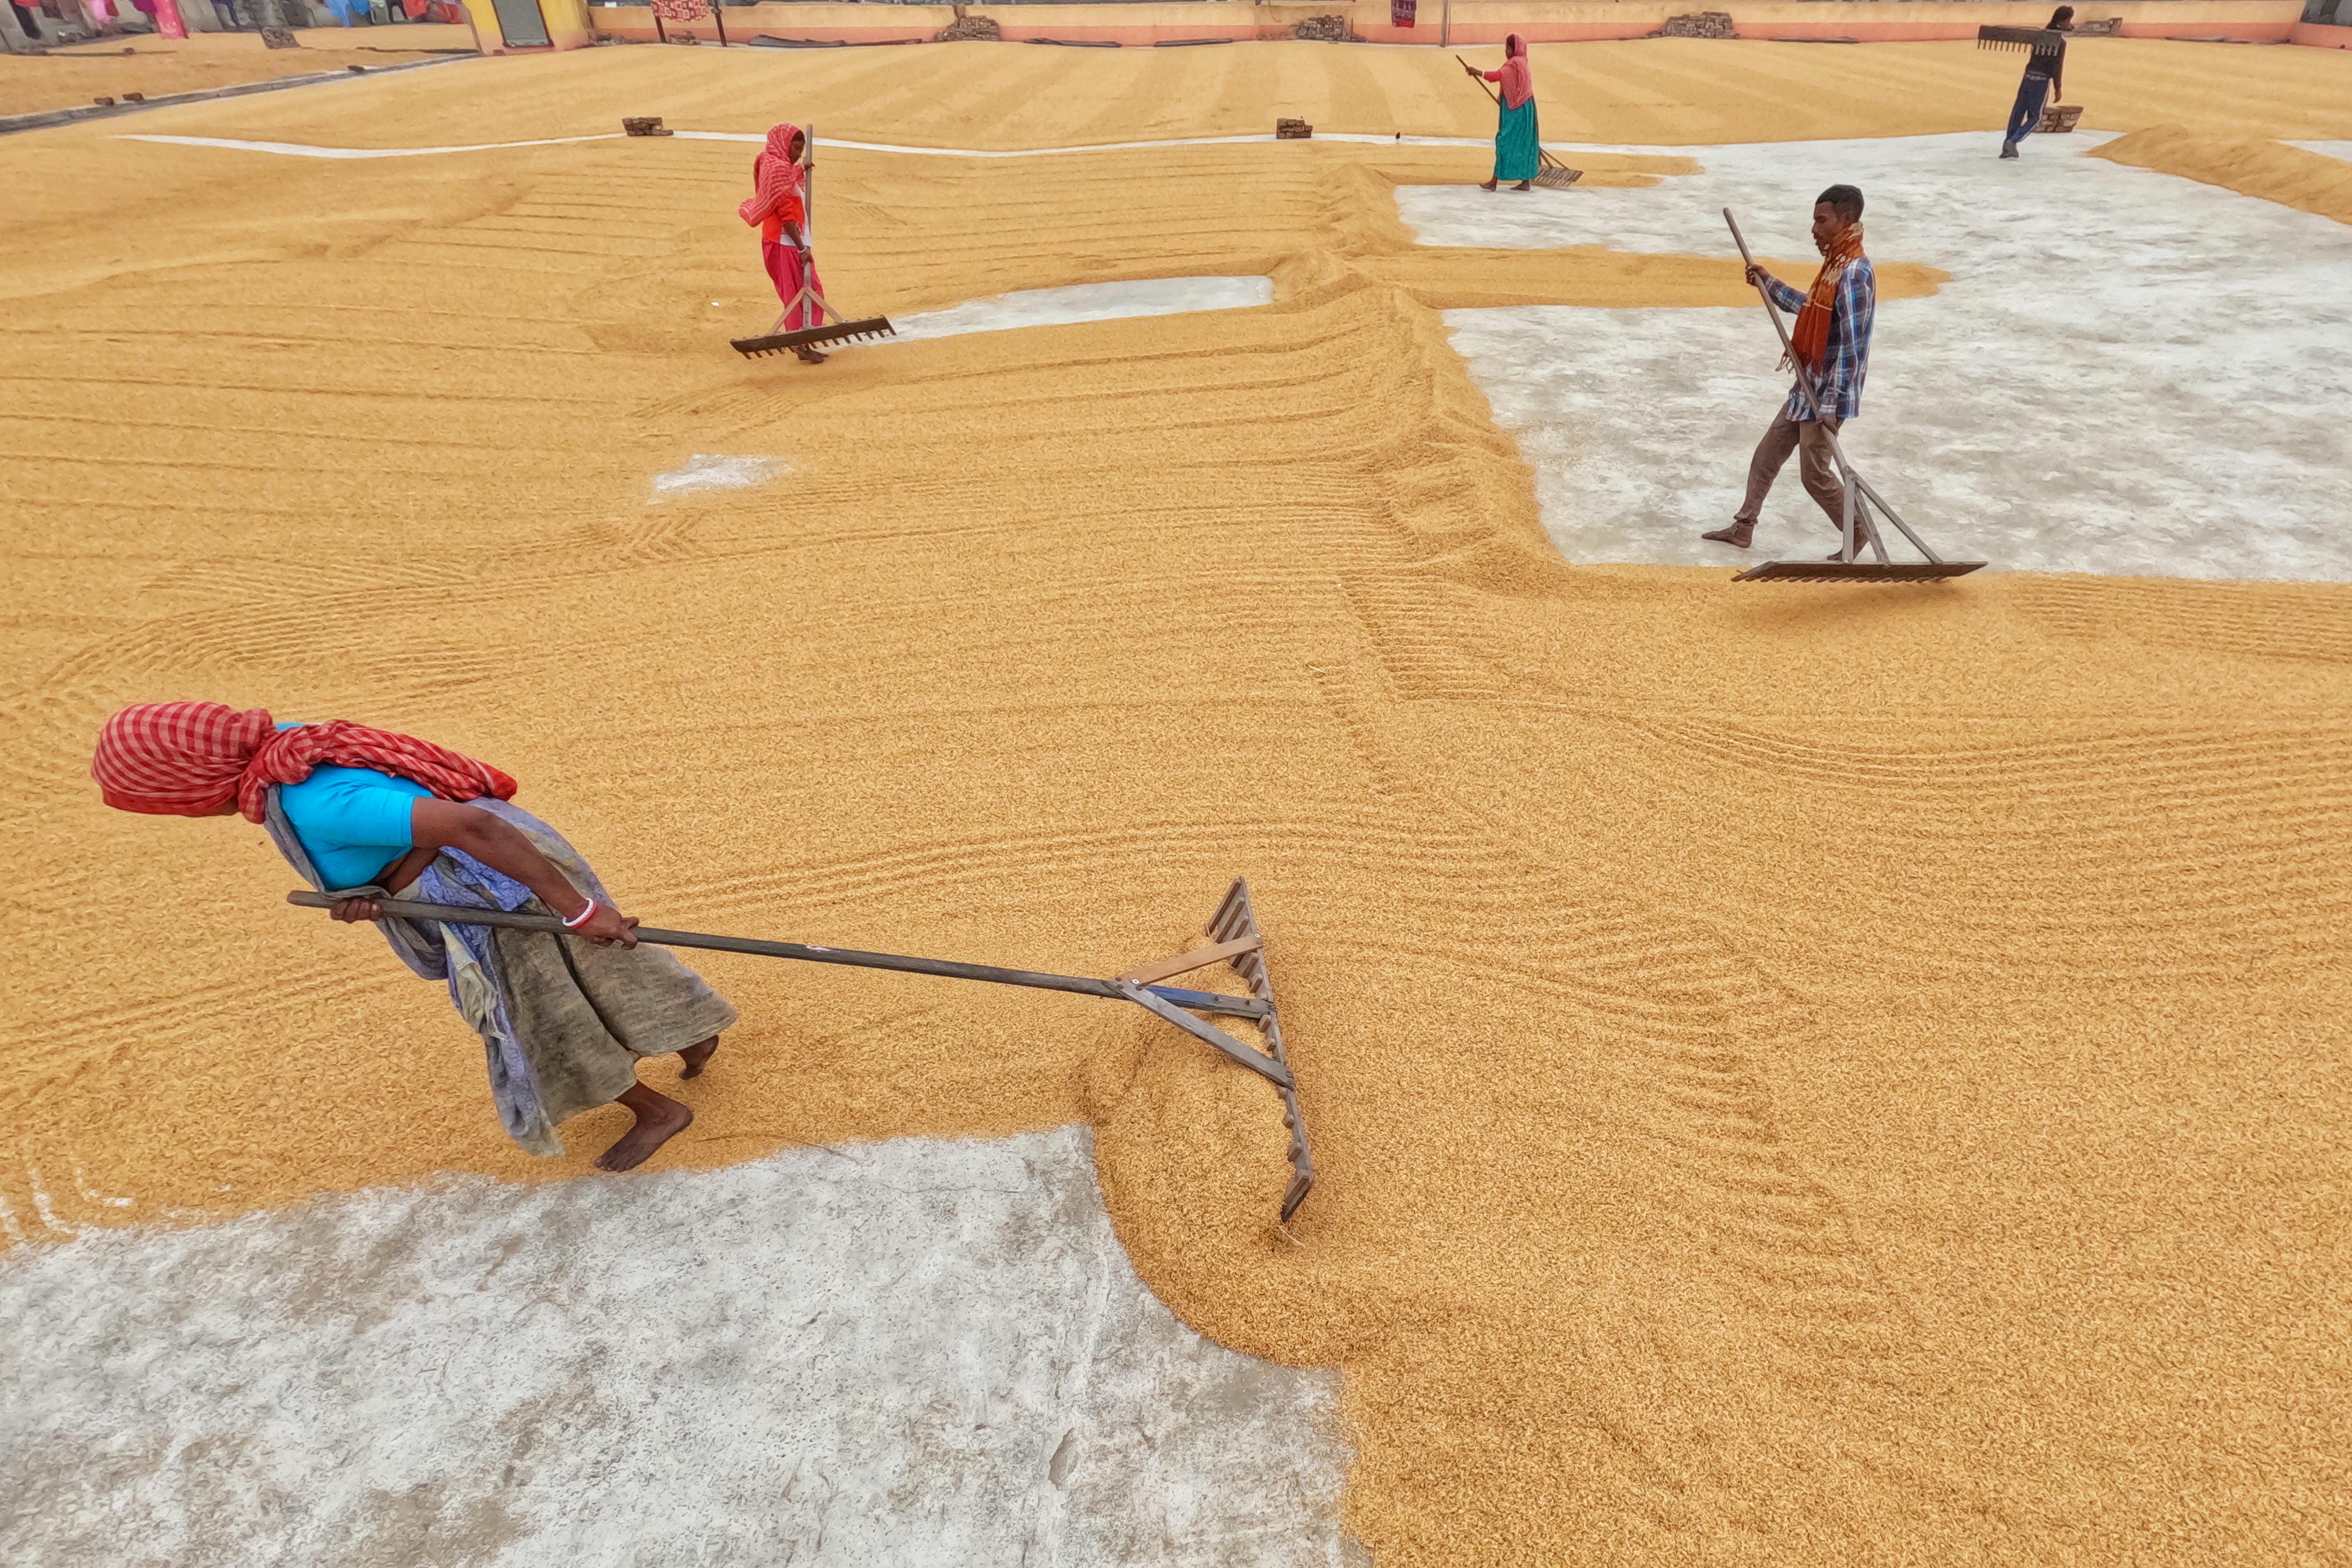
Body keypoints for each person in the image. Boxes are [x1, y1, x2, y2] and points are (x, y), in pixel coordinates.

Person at [90, 703, 738, 1173]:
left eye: (168, 797)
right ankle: (692, 1033)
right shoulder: (281, 747)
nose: (184, 810)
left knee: (532, 1016)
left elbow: (469, 826)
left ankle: (657, 1111)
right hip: (482, 872)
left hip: (490, 884)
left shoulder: (314, 801)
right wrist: (373, 892)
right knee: (596, 967)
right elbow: (395, 826)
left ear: (188, 778)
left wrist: (574, 909)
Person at [1702, 184, 1875, 556]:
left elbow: (1852, 347)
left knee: (1815, 476)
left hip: (1828, 393)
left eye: (1822, 220)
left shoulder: (1855, 272)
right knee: (1768, 454)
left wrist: (1830, 404)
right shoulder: (1835, 266)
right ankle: (1744, 525)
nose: (1814, 229)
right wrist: (1769, 284)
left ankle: (1859, 532)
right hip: (1808, 384)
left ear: (1846, 220)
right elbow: (1810, 308)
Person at [739, 122, 830, 365]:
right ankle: (802, 345)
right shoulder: (778, 170)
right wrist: (802, 248)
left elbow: (789, 180)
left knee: (806, 292)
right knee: (800, 294)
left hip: (784, 241)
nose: (797, 155)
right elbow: (786, 215)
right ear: (784, 146)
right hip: (785, 243)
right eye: (795, 149)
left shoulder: (775, 164)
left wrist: (801, 169)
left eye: (801, 150)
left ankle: (804, 341)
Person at [1463, 36, 1538, 193]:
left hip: (1516, 109)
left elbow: (1498, 76)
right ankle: (1525, 181)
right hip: (1526, 107)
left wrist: (1477, 72)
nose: (1506, 52)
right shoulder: (1523, 61)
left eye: (1508, 49)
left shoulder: (1515, 63)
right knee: (1525, 143)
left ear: (1514, 49)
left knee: (1503, 140)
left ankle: (1494, 181)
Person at [2000, 6, 2072, 160]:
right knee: (2035, 117)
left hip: (2028, 77)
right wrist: (2058, 88)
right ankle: (2013, 141)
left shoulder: (2040, 36)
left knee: (2018, 113)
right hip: (2041, 82)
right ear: (2063, 21)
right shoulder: (2061, 42)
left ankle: (2007, 145)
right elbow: (2057, 67)